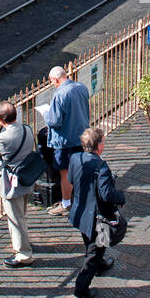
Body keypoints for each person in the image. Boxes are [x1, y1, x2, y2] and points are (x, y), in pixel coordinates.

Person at [68, 127, 125, 298]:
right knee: (94, 251)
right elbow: (107, 194)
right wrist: (121, 197)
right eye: (103, 142)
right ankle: (81, 287)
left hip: (79, 211)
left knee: (91, 242)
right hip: (95, 217)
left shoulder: (75, 158)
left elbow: (71, 179)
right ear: (99, 146)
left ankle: (100, 264)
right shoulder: (101, 166)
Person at [0, 101, 37, 268]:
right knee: (21, 214)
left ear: (0, 119)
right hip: (27, 177)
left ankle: (23, 255)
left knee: (16, 219)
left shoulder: (3, 137)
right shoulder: (27, 129)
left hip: (12, 183)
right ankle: (24, 242)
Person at [44, 65, 90, 216]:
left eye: (52, 82)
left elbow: (54, 121)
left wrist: (46, 114)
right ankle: (81, 197)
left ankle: (66, 203)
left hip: (65, 141)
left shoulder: (60, 95)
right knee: (79, 168)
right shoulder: (81, 87)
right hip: (81, 135)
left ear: (56, 79)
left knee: (66, 173)